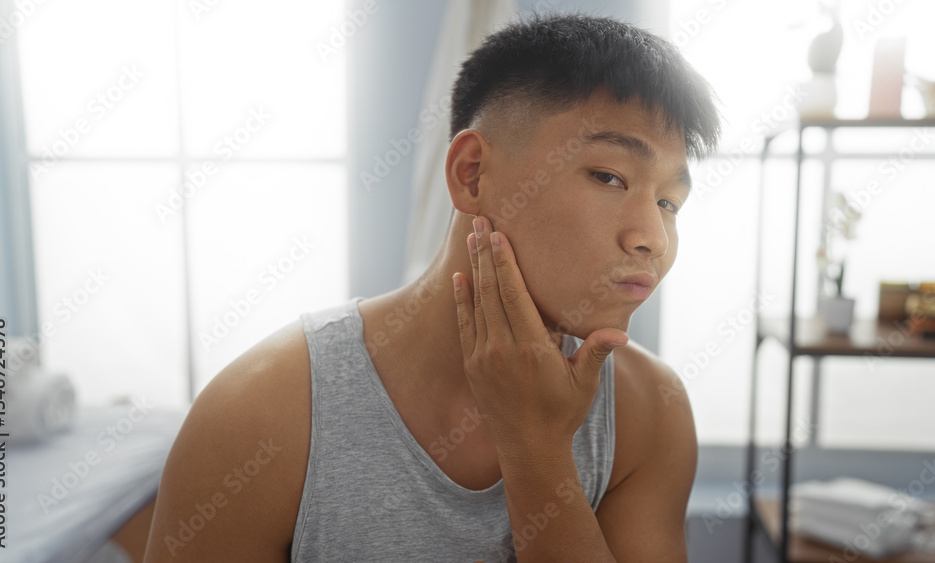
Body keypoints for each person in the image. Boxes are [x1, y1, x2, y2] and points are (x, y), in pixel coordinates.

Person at [143, 12, 720, 562]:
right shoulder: (258, 415)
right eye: (609, 177)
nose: (653, 239)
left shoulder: (650, 412)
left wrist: (537, 447)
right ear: (472, 173)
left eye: (669, 203)